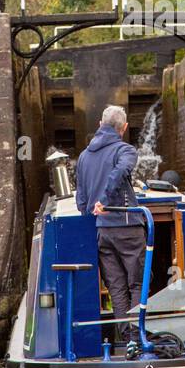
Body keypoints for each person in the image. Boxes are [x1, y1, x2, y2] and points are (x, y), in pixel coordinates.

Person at [75, 104, 146, 349]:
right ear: (124, 128)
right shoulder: (125, 150)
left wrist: (94, 212)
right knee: (136, 282)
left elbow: (81, 201)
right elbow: (121, 172)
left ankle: (127, 339)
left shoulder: (83, 156)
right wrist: (105, 201)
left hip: (102, 232)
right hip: (127, 226)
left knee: (116, 286)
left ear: (99, 125)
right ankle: (137, 337)